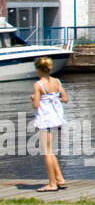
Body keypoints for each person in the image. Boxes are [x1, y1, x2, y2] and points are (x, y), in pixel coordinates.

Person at [31, 57, 67, 192]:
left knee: (46, 152)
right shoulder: (57, 81)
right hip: (57, 119)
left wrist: (34, 97)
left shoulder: (38, 84)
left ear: (39, 69)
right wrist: (54, 98)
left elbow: (36, 105)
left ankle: (52, 183)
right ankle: (60, 178)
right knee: (50, 150)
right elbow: (65, 98)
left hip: (45, 120)